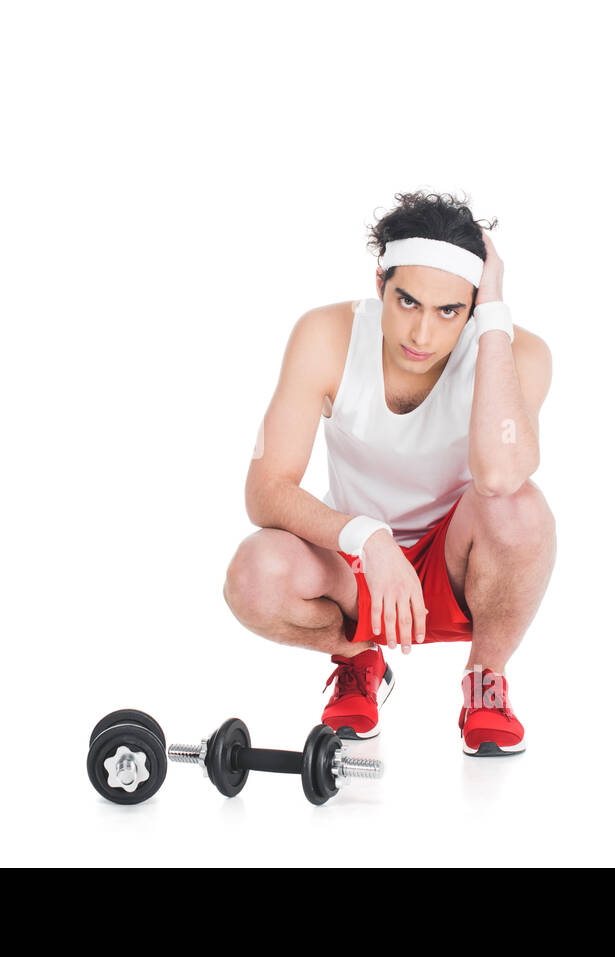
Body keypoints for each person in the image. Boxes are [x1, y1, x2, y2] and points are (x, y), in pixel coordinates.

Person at [222, 191, 556, 756]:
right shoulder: (324, 335)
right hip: (355, 569)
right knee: (253, 576)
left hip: (457, 565)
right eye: (407, 301)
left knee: (520, 510)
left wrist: (494, 316)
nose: (421, 335)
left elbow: (499, 476)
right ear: (380, 284)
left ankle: (485, 682)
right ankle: (360, 661)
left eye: (450, 310)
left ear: (473, 305)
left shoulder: (517, 352)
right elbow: (265, 492)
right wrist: (367, 537)